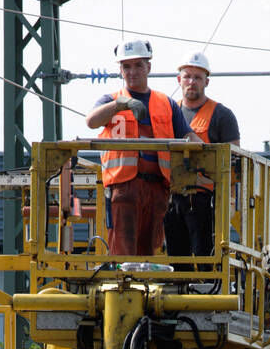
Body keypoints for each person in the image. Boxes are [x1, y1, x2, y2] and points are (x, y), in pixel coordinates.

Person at [85, 39, 199, 257]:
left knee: (150, 249)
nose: (132, 72)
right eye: (126, 66)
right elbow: (91, 121)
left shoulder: (166, 103)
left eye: (138, 65)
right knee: (123, 251)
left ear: (148, 67)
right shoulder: (111, 100)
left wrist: (213, 153)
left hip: (157, 189)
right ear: (120, 70)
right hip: (123, 188)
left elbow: (189, 136)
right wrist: (120, 105)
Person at [163, 50, 240, 260]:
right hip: (171, 197)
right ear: (179, 80)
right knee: (176, 258)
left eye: (197, 77)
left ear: (207, 81)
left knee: (204, 256)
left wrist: (231, 201)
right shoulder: (167, 112)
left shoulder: (221, 115)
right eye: (187, 76)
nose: (192, 82)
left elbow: (234, 160)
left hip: (205, 200)